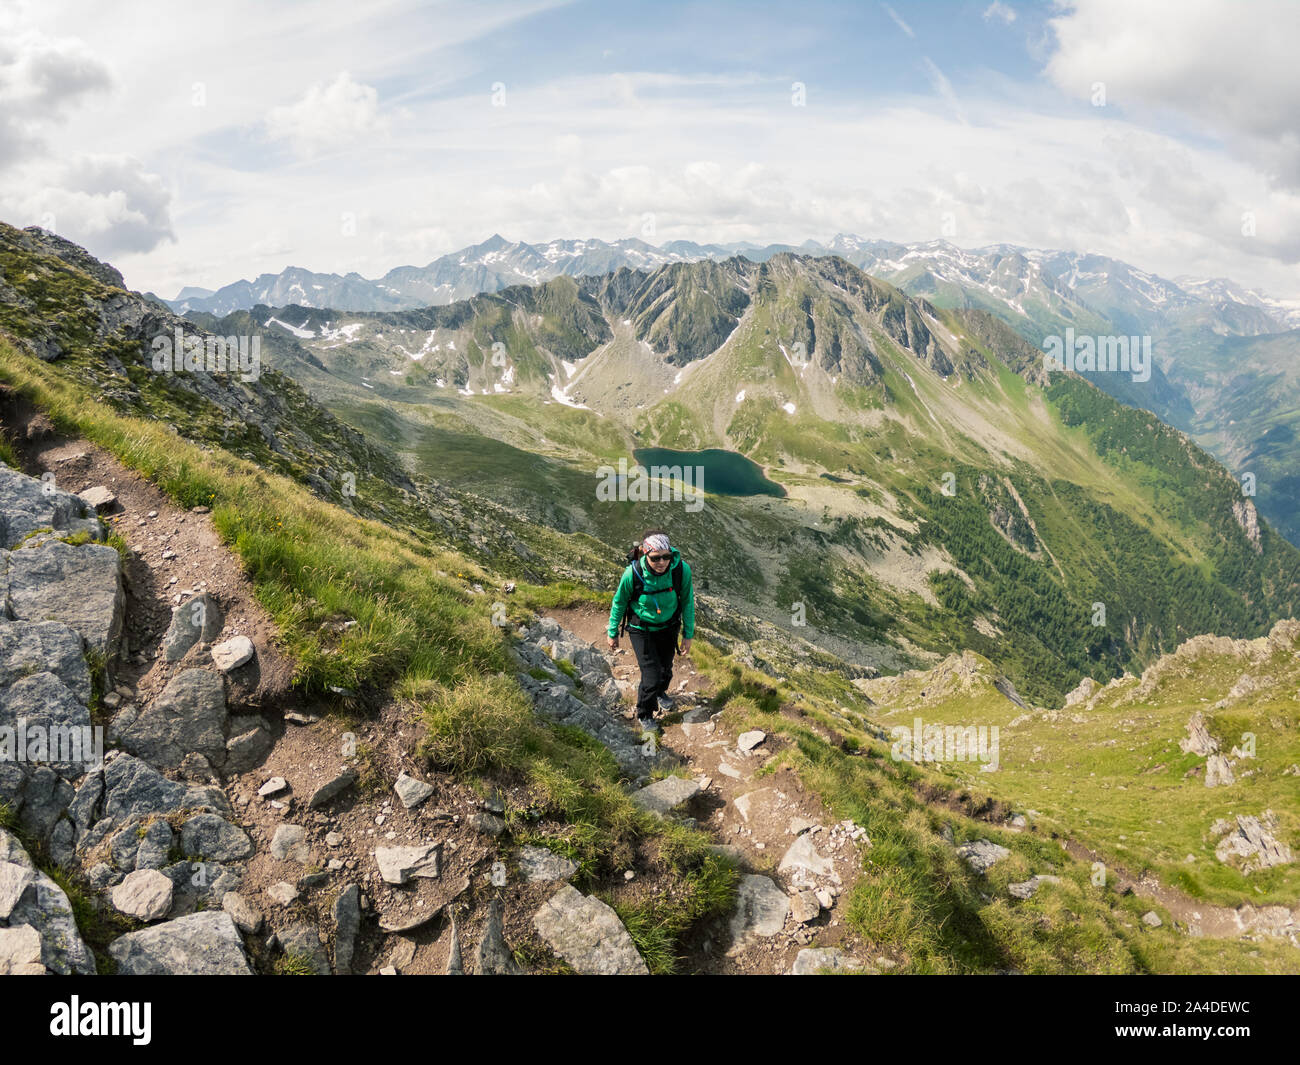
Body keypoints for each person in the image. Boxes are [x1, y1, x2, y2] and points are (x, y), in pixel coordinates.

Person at [606, 529, 694, 734]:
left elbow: (688, 602)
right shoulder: (633, 574)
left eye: (666, 556)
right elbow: (619, 602)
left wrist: (687, 635)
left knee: (666, 668)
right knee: (651, 675)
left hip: (669, 626)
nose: (662, 562)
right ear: (645, 554)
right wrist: (612, 632)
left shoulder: (681, 570)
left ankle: (661, 693)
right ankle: (645, 713)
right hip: (641, 629)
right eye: (656, 558)